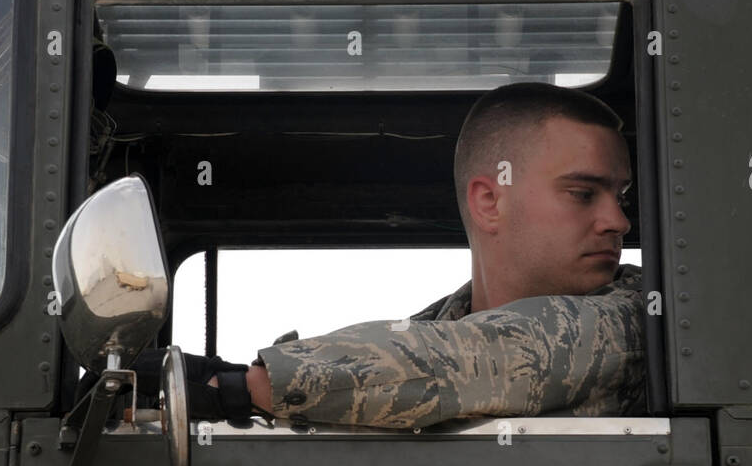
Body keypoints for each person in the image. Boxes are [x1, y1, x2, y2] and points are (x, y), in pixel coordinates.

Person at [189, 82, 646, 428]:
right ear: (490, 202)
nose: (618, 221)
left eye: (618, 197)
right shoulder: (439, 328)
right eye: (584, 194)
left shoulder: (638, 318)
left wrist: (237, 386)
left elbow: (479, 359)